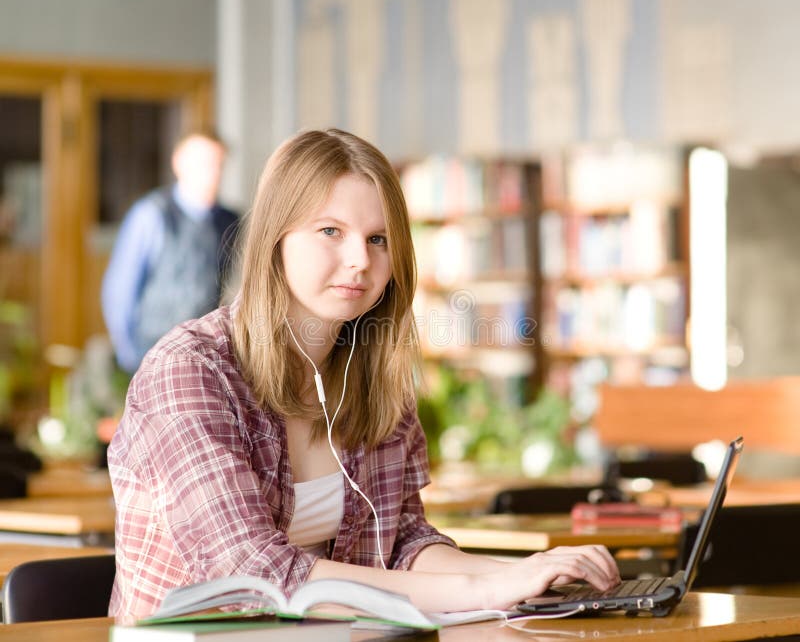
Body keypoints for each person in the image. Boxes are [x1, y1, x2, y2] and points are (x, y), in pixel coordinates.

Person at [107, 128, 620, 619]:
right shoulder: (190, 370)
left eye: (378, 239)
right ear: (273, 239)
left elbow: (403, 543)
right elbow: (252, 578)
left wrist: (528, 576)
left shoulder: (372, 375)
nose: (360, 260)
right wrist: (482, 588)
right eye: (331, 231)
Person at [101, 128, 238, 374]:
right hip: (153, 352)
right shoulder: (152, 214)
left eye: (218, 164)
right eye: (203, 163)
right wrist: (130, 356)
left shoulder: (231, 222)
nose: (211, 172)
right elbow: (121, 287)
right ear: (178, 163)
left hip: (207, 356)